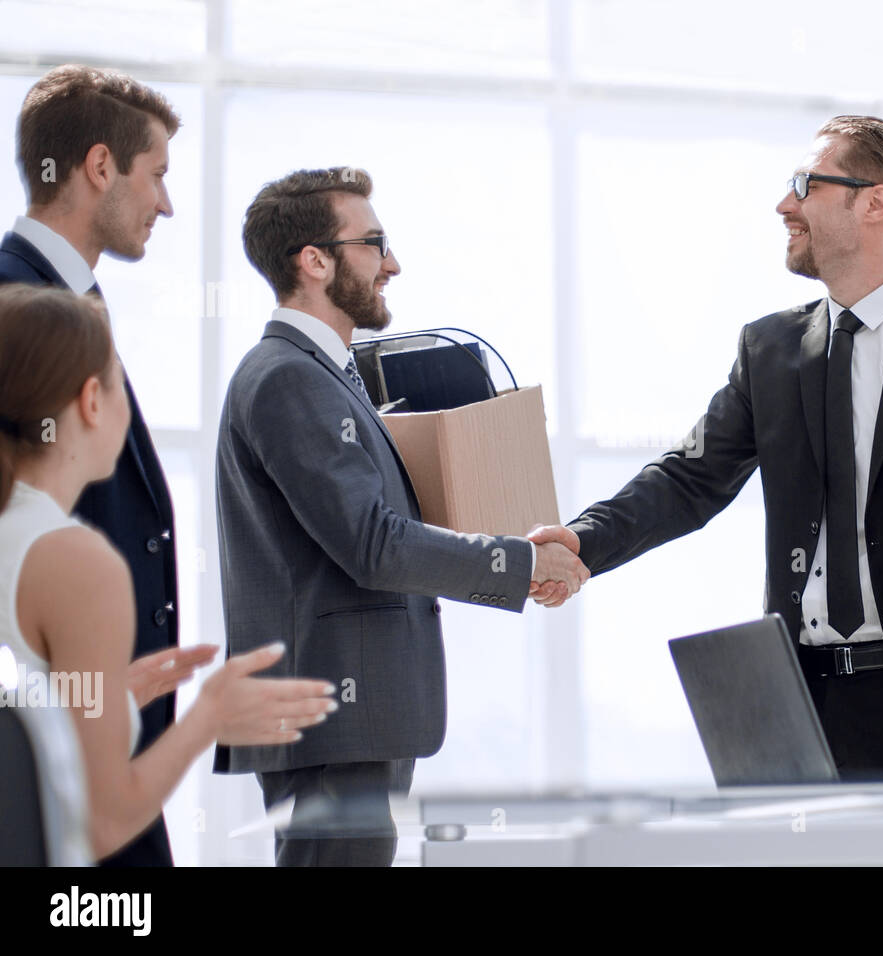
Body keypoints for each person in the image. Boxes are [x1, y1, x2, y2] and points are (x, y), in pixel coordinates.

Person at [532, 116, 883, 781]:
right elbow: (689, 478)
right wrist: (584, 542)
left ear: (874, 202)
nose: (784, 204)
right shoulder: (768, 351)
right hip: (791, 710)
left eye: (803, 185)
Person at [217, 167, 588, 865]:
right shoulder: (289, 376)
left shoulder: (328, 374)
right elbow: (374, 546)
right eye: (375, 243)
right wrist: (523, 564)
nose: (393, 263)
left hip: (354, 716)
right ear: (315, 260)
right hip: (332, 715)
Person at [0, 284, 336, 861]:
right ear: (91, 401)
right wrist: (209, 717)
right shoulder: (76, 561)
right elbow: (100, 822)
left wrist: (103, 699)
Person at [0, 65, 192, 866]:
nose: (167, 204)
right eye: (157, 176)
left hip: (92, 718)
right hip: (51, 747)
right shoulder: (16, 302)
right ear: (100, 166)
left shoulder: (65, 301)